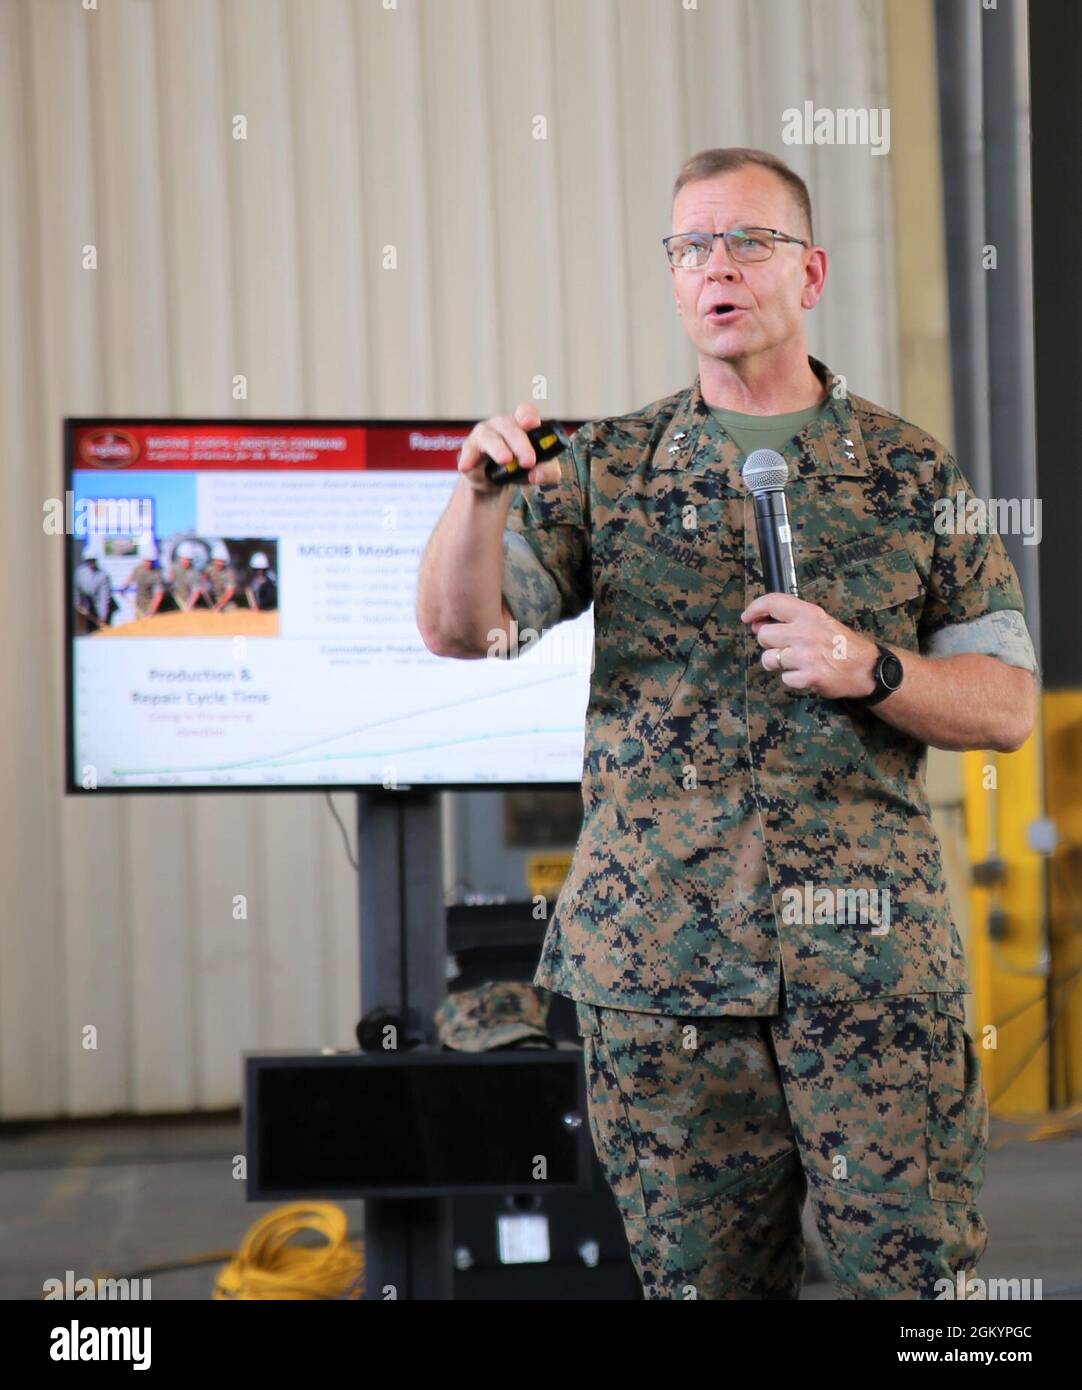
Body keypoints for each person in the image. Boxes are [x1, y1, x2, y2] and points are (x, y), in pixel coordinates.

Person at [415, 147, 1038, 1300]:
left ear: (808, 272)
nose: (716, 267)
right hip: (661, 981)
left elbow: (1003, 707)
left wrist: (869, 666)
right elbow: (466, 632)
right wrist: (477, 494)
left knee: (913, 1293)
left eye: (745, 241)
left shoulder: (911, 473)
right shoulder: (606, 469)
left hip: (869, 974)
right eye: (689, 245)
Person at [73, 539, 115, 634]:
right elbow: (77, 591)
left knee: (102, 632)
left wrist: (102, 616)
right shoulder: (80, 573)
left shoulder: (103, 575)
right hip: (87, 607)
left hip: (102, 607)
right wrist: (78, 604)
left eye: (93, 560)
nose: (91, 563)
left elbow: (104, 597)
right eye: (88, 561)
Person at [168, 540, 205, 612]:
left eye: (189, 560)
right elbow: (171, 583)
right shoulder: (174, 569)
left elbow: (196, 591)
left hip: (187, 604)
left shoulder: (194, 573)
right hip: (175, 601)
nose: (186, 562)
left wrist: (189, 605)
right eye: (185, 559)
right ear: (180, 558)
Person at [204, 541, 238, 612]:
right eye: (217, 560)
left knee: (231, 610)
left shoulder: (228, 573)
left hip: (225, 603)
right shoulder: (210, 569)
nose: (219, 563)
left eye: (221, 561)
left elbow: (230, 591)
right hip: (212, 601)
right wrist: (204, 585)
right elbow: (204, 577)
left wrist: (219, 606)